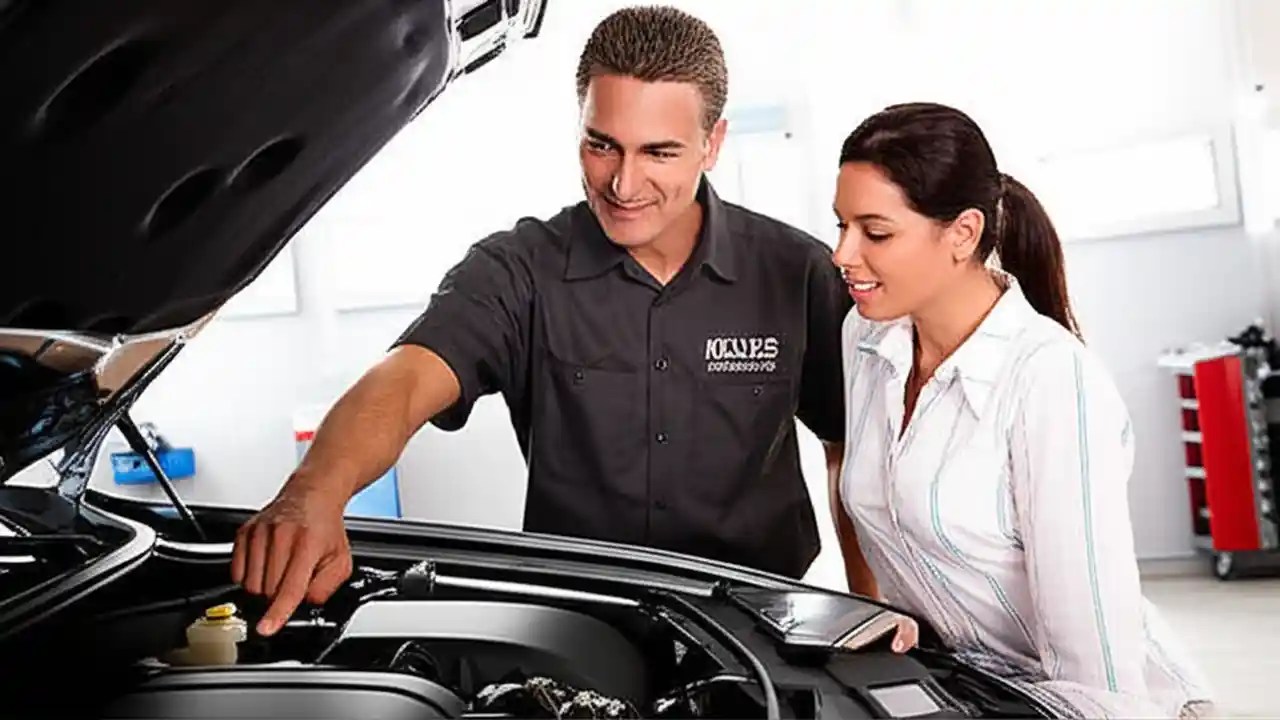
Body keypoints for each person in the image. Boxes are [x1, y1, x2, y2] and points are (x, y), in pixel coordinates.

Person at [231, 5, 852, 638]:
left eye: (658, 152)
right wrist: (314, 492)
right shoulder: (518, 271)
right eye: (601, 145)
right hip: (580, 631)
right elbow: (407, 380)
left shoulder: (796, 270)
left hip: (760, 633)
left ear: (712, 143)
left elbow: (852, 445)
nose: (624, 183)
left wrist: (870, 605)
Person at [828, 102, 1213, 718]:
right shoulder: (866, 338)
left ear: (962, 234)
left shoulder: (1050, 380)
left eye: (875, 232)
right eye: (841, 224)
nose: (843, 253)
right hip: (973, 689)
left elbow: (1099, 670)